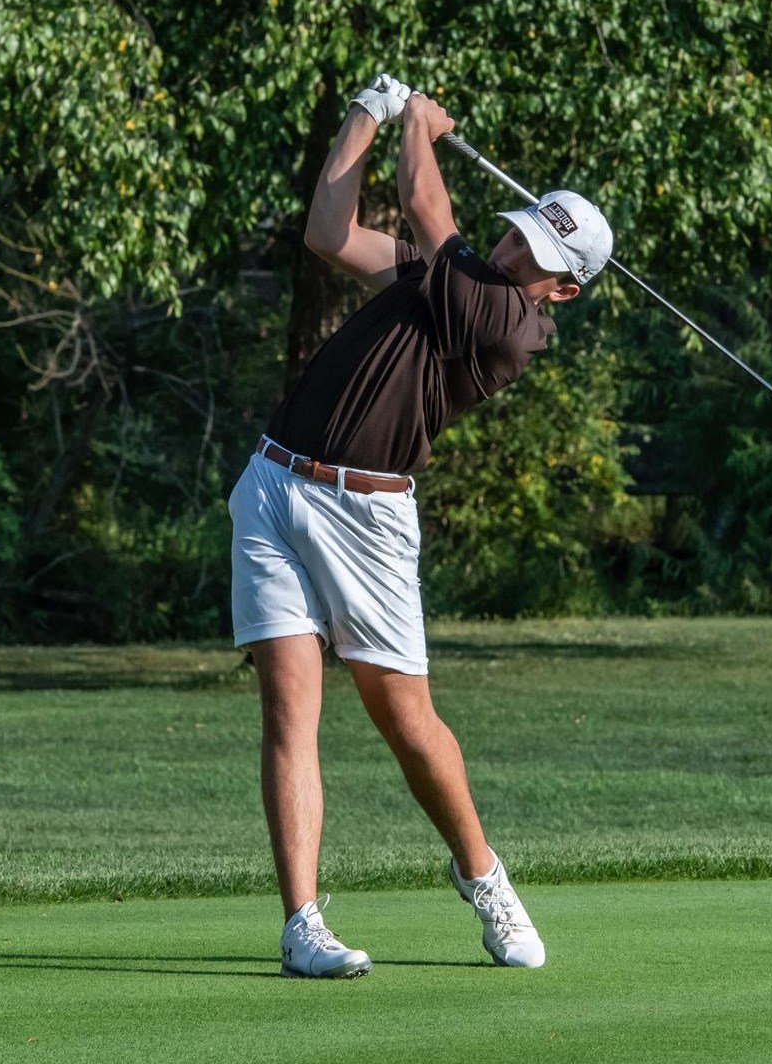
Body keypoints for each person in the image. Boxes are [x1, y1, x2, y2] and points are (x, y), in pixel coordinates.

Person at [231, 75, 613, 977]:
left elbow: (420, 197)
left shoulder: (511, 325)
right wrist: (366, 111)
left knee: (406, 721)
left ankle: (482, 875)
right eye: (525, 227)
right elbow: (328, 232)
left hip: (368, 516)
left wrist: (421, 126)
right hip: (274, 486)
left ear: (563, 290)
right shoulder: (440, 273)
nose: (520, 245)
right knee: (290, 710)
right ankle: (301, 927)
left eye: (542, 249)